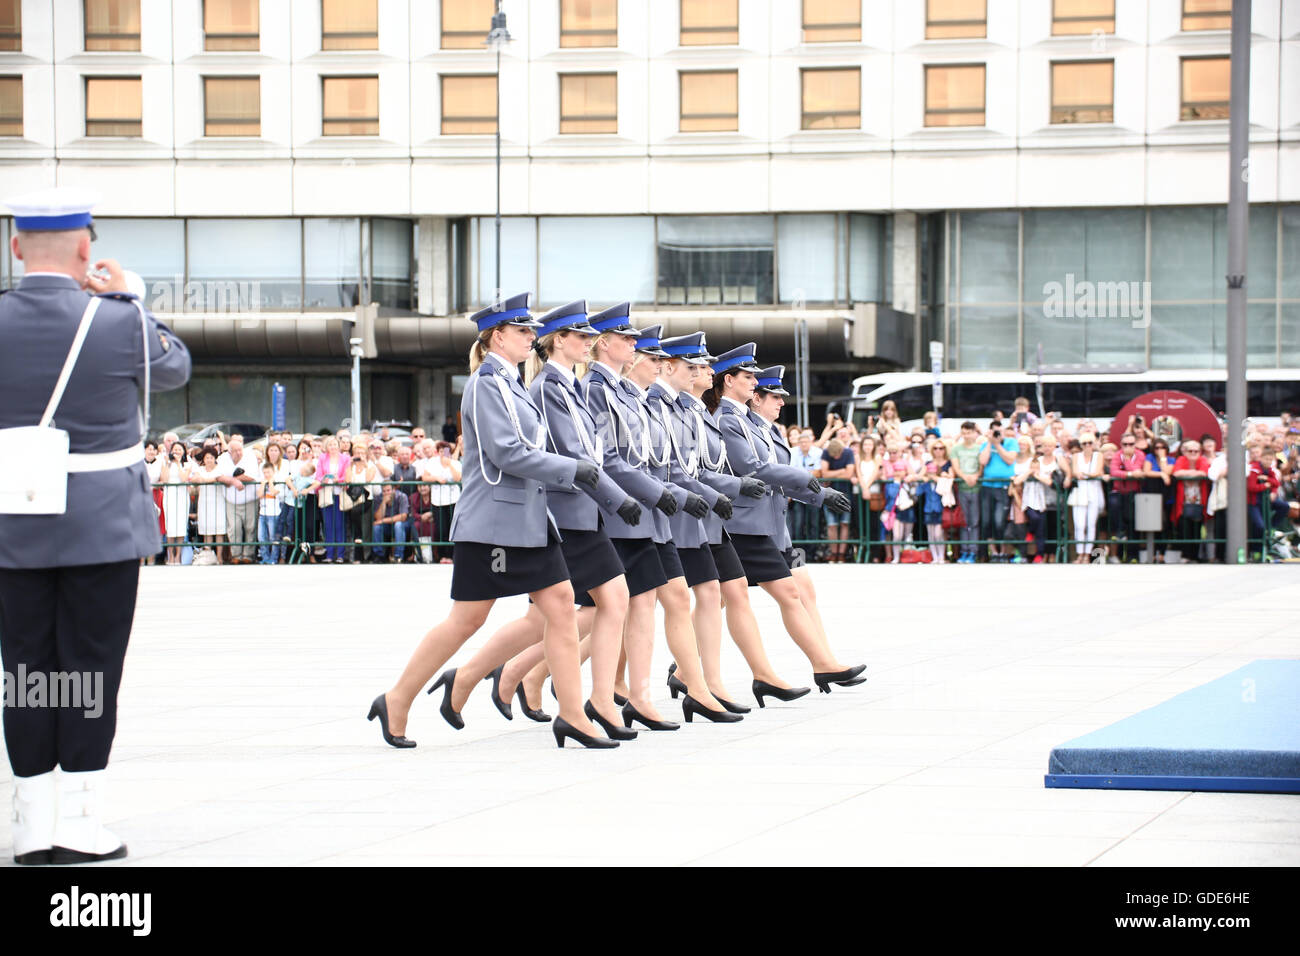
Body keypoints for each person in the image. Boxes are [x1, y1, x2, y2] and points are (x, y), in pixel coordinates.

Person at [0, 187, 191, 864]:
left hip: (12, 522)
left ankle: (29, 821)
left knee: (24, 668)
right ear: (86, 250)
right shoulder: (116, 321)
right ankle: (77, 820)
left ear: (17, 248)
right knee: (89, 668)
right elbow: (174, 367)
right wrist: (133, 295)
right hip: (101, 524)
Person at [369, 293, 614, 750]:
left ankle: (574, 716)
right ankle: (397, 697)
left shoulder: (513, 382)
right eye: (523, 331)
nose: (531, 338)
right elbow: (506, 452)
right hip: (495, 523)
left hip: (529, 521)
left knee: (561, 604)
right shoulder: (486, 383)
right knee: (467, 620)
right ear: (498, 336)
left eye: (531, 331)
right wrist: (569, 469)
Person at [435, 301, 641, 737]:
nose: (589, 343)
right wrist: (614, 495)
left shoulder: (564, 386)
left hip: (574, 510)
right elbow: (556, 456)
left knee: (580, 608)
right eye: (582, 337)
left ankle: (567, 694)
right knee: (549, 612)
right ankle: (513, 680)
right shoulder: (540, 386)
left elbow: (591, 455)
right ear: (559, 340)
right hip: (560, 511)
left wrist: (614, 496)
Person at [708, 345, 864, 695]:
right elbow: (755, 469)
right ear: (734, 382)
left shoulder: (766, 429)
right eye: (753, 381)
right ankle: (820, 665)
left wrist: (817, 494)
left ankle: (823, 661)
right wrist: (812, 486)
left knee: (733, 598)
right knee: (761, 595)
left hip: (772, 525)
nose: (780, 403)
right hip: (746, 525)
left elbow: (776, 477)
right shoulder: (730, 420)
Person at [216, 434, 259, 564]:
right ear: (230, 451)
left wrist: (232, 480)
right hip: (231, 500)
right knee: (234, 528)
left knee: (250, 528)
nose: (239, 453)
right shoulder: (223, 458)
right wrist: (234, 481)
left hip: (250, 499)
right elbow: (218, 476)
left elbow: (251, 476)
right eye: (236, 451)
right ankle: (236, 555)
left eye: (240, 449)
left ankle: (248, 555)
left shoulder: (250, 456)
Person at [1170, 437, 1209, 562]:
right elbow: (1176, 473)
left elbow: (1204, 473)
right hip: (1183, 501)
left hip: (1199, 501)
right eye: (1190, 451)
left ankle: (1194, 555)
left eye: (1196, 451)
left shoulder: (1203, 460)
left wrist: (1187, 472)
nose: (1193, 454)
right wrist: (1194, 472)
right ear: (1185, 452)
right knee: (1184, 528)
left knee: (1197, 528)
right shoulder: (1181, 459)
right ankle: (1185, 555)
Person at [949, 421, 982, 563]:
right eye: (964, 433)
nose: (966, 436)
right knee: (964, 522)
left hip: (976, 488)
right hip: (962, 487)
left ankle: (973, 551)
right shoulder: (956, 449)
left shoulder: (979, 448)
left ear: (974, 433)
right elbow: (956, 466)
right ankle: (964, 551)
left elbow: (982, 465)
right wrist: (965, 477)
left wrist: (976, 476)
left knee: (974, 521)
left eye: (969, 432)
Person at [158, 438, 192, 565]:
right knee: (170, 526)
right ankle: (170, 555)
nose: (177, 451)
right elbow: (165, 479)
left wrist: (178, 464)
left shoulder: (187, 464)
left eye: (179, 449)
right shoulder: (165, 463)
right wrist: (168, 464)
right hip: (170, 496)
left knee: (181, 526)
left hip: (182, 496)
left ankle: (178, 556)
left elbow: (184, 479)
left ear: (183, 451)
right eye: (175, 449)